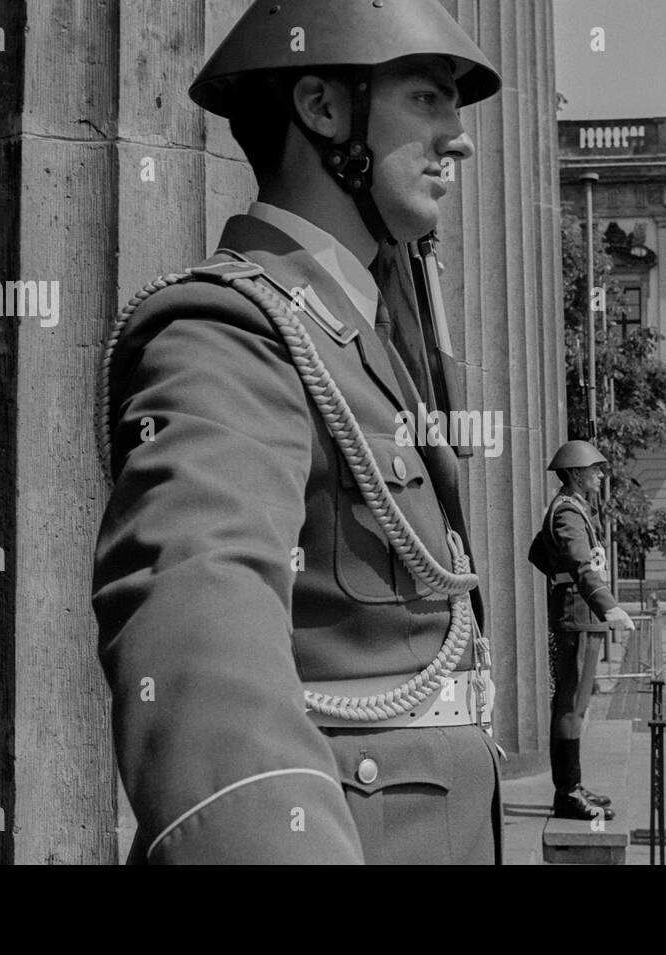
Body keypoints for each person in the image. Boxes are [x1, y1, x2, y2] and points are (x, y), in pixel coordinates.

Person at [92, 0, 504, 864]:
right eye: (428, 99)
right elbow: (201, 639)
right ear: (321, 108)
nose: (458, 137)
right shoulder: (226, 334)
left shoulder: (356, 332)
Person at [528, 440, 637, 821]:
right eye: (595, 469)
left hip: (578, 613)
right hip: (577, 617)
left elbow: (537, 553)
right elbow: (584, 568)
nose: (600, 474)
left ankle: (572, 786)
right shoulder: (568, 514)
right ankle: (568, 793)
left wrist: (563, 582)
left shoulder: (572, 509)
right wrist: (609, 608)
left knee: (576, 705)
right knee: (571, 707)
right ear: (575, 473)